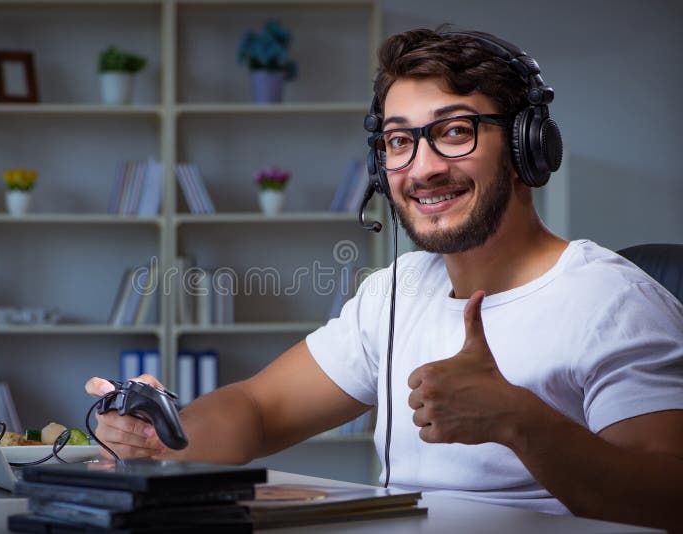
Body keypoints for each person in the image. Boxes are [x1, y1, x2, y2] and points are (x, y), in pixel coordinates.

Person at [86, 27, 683, 531]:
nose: (422, 168)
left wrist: (518, 420)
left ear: (529, 148)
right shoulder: (398, 290)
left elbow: (667, 498)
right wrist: (168, 442)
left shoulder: (614, 299)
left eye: (454, 131)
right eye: (400, 141)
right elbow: (258, 408)